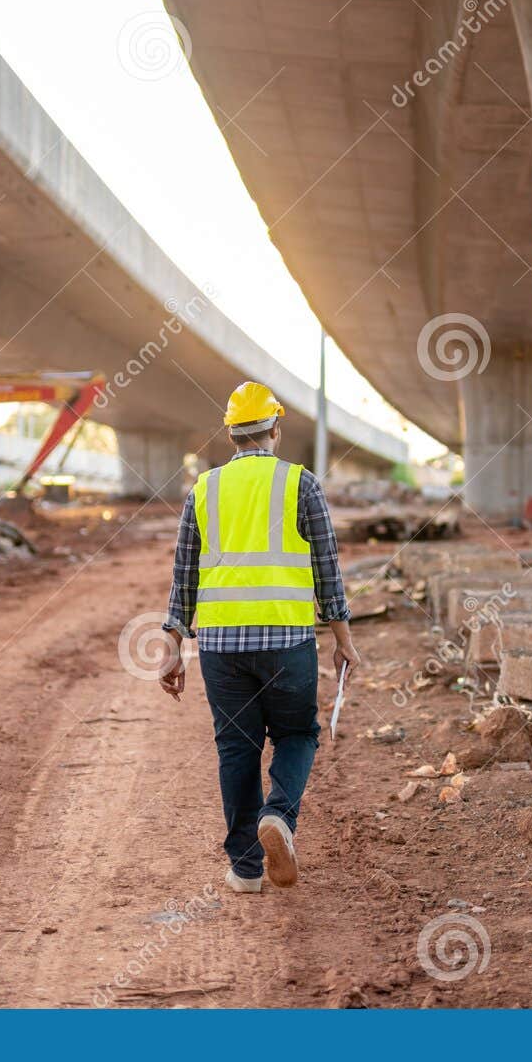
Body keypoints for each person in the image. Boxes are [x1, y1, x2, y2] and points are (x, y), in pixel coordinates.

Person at [159, 382, 361, 893]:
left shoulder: (202, 490)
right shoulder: (302, 484)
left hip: (221, 648)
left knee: (237, 747)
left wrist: (172, 645)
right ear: (275, 428)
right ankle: (279, 817)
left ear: (230, 434)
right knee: (297, 735)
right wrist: (343, 637)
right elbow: (327, 571)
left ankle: (246, 869)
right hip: (287, 641)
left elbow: (184, 576)